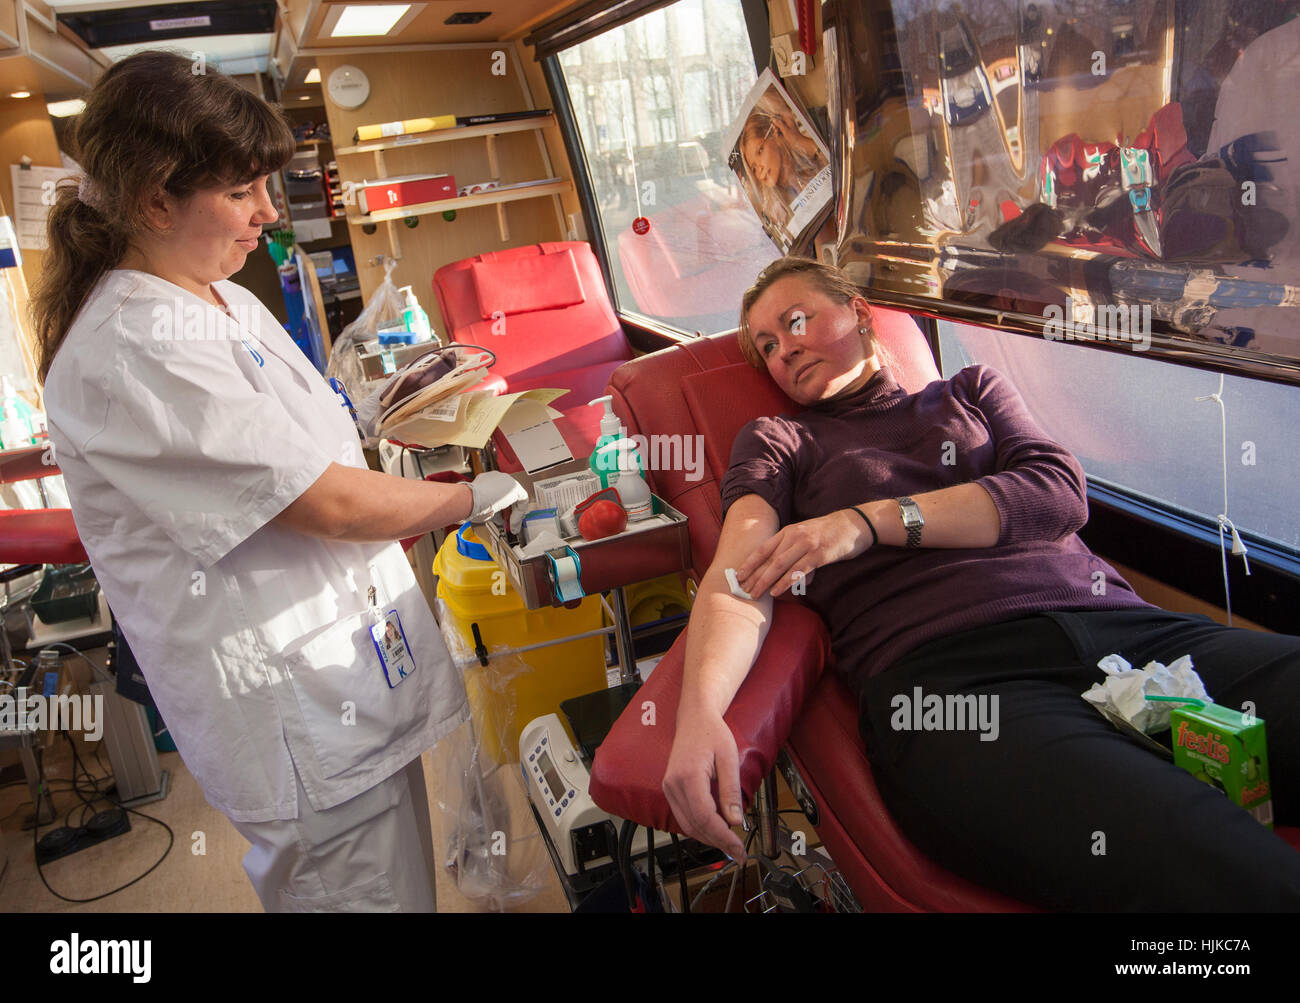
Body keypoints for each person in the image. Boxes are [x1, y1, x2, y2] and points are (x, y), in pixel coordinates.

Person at [33, 51, 527, 912]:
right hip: (296, 714)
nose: (268, 212)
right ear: (155, 201)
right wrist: (466, 500)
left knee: (400, 888)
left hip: (346, 681)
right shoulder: (137, 343)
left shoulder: (221, 298)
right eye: (241, 192)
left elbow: (301, 451)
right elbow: (325, 503)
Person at [662, 255, 1300, 910]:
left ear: (857, 310)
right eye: (766, 345)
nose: (783, 350)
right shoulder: (779, 441)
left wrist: (870, 521)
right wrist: (699, 714)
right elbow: (740, 577)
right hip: (958, 684)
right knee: (1210, 855)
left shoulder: (970, 390)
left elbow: (1056, 495)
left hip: (1124, 632)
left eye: (795, 321)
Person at [735, 94, 827, 233]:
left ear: (775, 133)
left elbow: (842, 176)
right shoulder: (775, 210)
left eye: (760, 151)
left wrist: (799, 141)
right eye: (753, 168)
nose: (759, 168)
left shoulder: (812, 164)